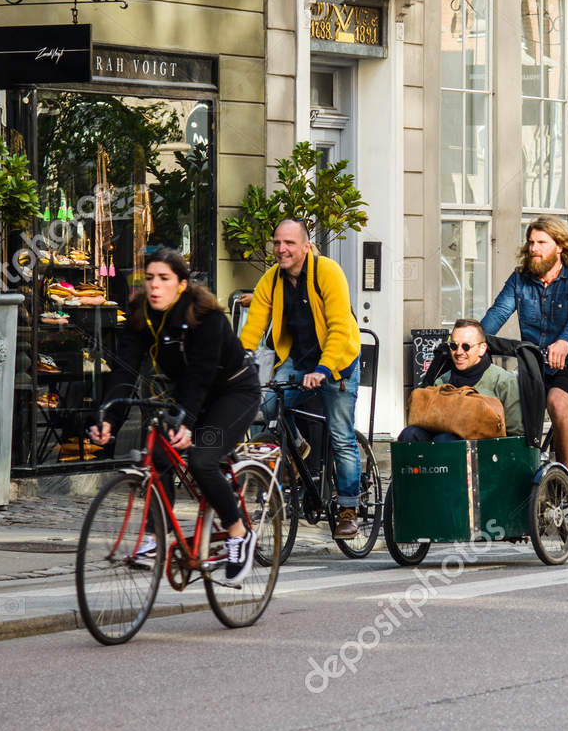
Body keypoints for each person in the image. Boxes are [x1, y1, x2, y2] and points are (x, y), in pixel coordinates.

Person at [89, 251, 262, 586]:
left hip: (232, 392)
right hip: (187, 393)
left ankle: (238, 532)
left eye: (164, 279)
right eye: (150, 278)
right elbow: (124, 370)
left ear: (182, 284)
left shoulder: (205, 315)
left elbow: (201, 373)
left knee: (203, 460)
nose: (155, 286)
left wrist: (185, 422)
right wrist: (109, 417)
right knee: (157, 454)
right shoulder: (140, 315)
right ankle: (157, 536)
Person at [238, 218, 364, 538]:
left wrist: (323, 370)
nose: (282, 249)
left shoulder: (328, 272)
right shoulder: (272, 279)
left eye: (289, 243)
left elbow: (339, 327)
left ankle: (349, 507)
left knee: (340, 436)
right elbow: (254, 325)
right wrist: (238, 361)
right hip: (299, 360)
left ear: (306, 246)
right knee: (269, 405)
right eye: (277, 242)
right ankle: (299, 446)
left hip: (338, 364)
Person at [481, 215, 568, 472]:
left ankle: (565, 482)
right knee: (505, 407)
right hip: (535, 364)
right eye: (531, 242)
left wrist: (565, 342)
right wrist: (473, 340)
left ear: (560, 246)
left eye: (542, 242)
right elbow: (499, 312)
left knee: (557, 402)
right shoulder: (520, 279)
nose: (534, 248)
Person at [398, 319, 522, 441]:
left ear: (482, 348)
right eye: (453, 346)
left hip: (487, 451)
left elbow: (515, 434)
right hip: (442, 444)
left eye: (466, 346)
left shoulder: (504, 381)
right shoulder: (441, 382)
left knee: (446, 440)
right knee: (410, 434)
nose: (459, 352)